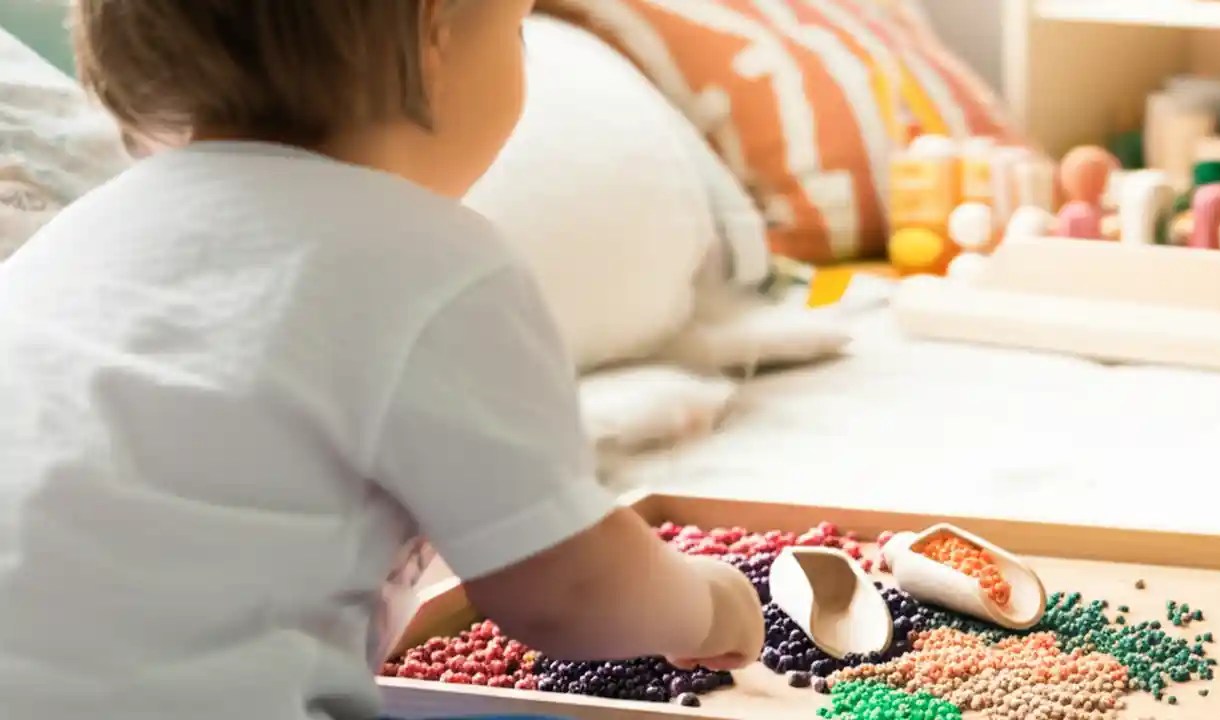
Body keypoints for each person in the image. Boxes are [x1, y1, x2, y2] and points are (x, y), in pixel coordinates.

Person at [0, 2, 765, 720]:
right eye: (516, 31)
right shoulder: (436, 262)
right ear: (436, 30)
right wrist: (705, 603)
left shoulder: (68, 243)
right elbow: (569, 591)